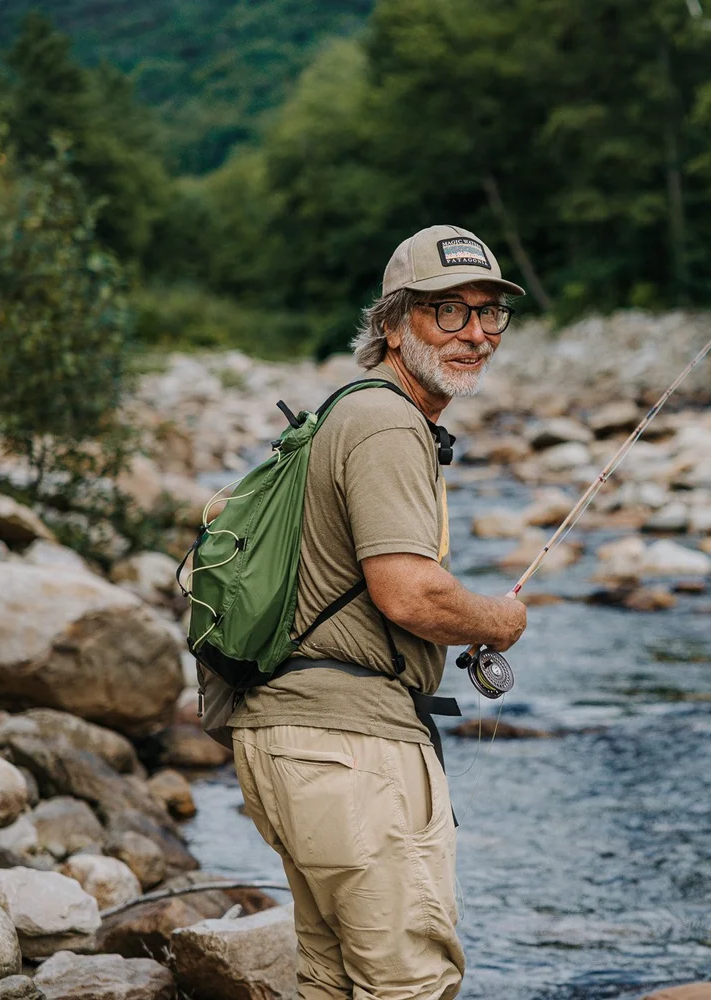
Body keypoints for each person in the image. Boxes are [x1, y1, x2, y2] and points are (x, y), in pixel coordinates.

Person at [228, 225, 529, 1000]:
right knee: (409, 983)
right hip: (349, 750)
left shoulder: (350, 411)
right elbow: (409, 593)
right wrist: (497, 621)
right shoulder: (391, 422)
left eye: (490, 313)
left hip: (290, 740)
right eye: (447, 313)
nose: (475, 335)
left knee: (331, 979)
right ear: (393, 323)